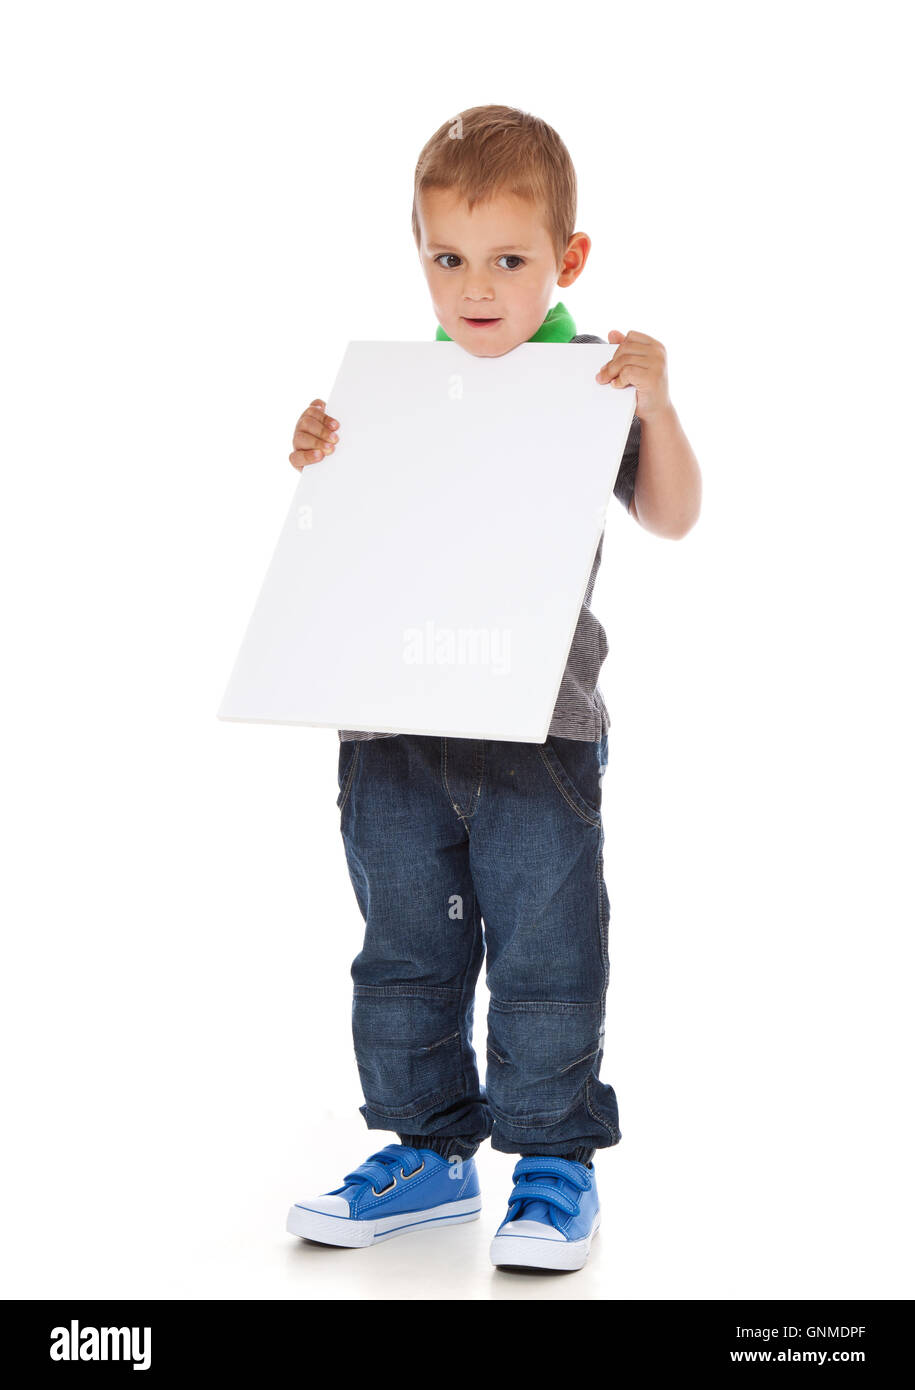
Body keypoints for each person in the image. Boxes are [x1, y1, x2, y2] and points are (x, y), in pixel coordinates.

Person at [284, 105, 701, 1272]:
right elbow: (348, 556)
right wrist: (323, 453)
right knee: (405, 949)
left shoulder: (586, 379)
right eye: (447, 258)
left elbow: (671, 515)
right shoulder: (395, 392)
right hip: (397, 734)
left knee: (547, 951)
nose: (476, 287)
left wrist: (656, 406)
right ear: (418, 254)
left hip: (537, 735)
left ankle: (554, 1161)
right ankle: (426, 1150)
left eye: (510, 260)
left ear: (567, 262)